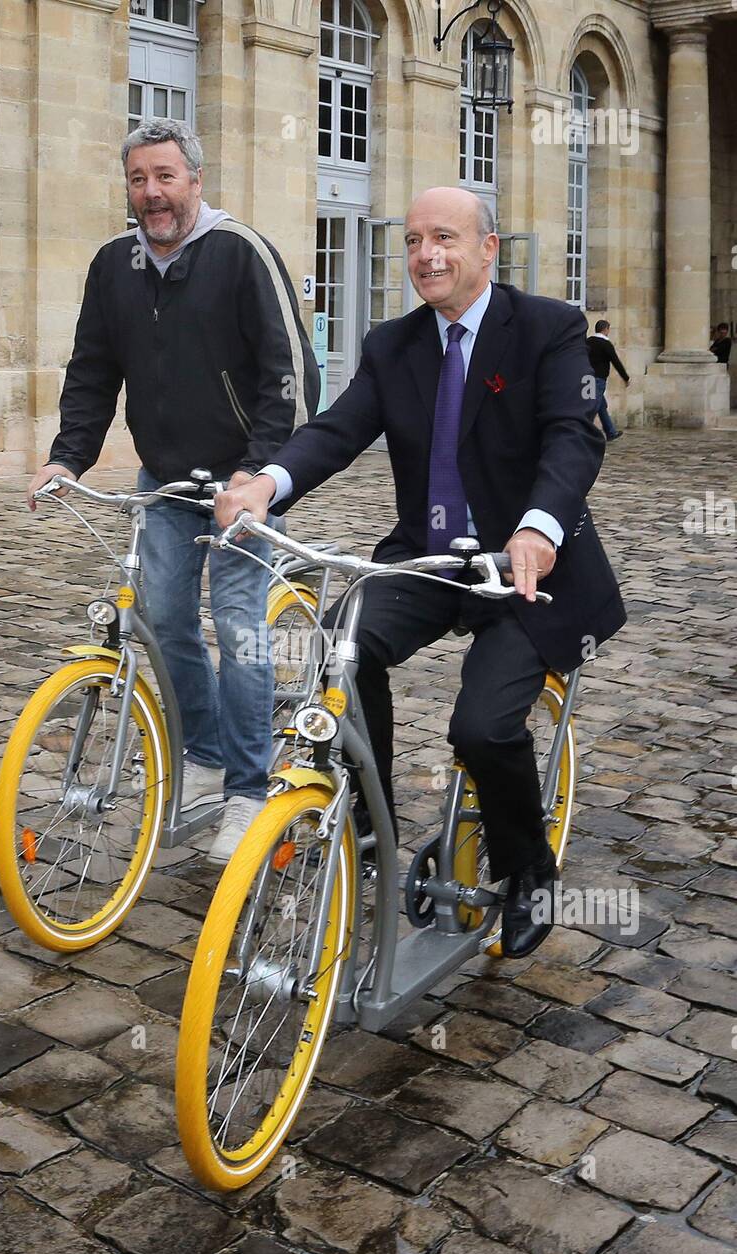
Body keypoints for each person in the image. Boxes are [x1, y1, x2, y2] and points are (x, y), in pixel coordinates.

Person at [216, 186, 626, 958]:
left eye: (444, 237)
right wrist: (268, 484)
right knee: (348, 643)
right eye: (412, 241)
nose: (426, 256)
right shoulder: (393, 343)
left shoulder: (546, 329)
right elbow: (337, 429)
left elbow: (573, 436)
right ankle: (371, 827)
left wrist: (539, 528)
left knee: (480, 726)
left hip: (523, 568)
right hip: (431, 558)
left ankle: (530, 868)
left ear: (487, 249)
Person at [27, 118, 319, 863]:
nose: (151, 194)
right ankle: (209, 754)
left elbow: (292, 376)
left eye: (164, 177)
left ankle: (250, 792)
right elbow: (92, 369)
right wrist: (69, 459)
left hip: (244, 478)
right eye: (137, 180)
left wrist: (258, 474)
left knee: (239, 622)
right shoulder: (112, 265)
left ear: (194, 178)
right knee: (161, 618)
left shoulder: (241, 253)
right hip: (166, 478)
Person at [586, 319, 629, 440]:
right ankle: (582, 430)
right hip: (599, 378)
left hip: (586, 377)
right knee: (592, 405)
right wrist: (626, 377)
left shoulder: (588, 342)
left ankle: (610, 432)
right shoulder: (606, 344)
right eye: (608, 329)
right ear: (605, 329)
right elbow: (616, 362)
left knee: (600, 405)